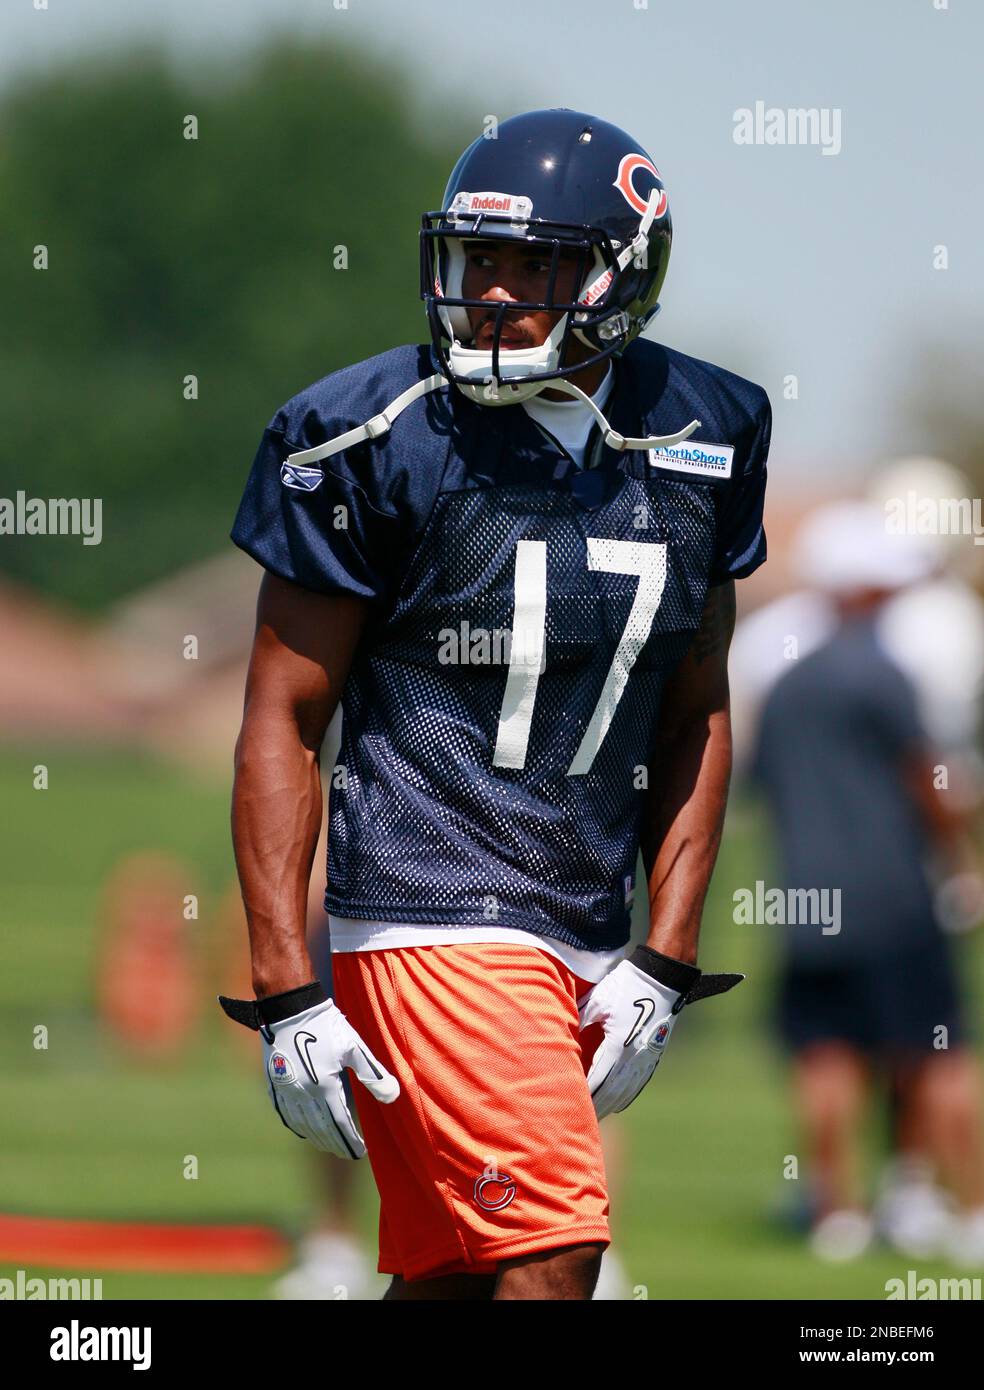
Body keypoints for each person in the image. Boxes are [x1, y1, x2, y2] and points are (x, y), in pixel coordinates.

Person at [220, 108, 771, 1300]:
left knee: (458, 1277)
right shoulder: (365, 434)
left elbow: (697, 709)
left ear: (624, 276)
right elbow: (282, 719)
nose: (498, 294)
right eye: (481, 260)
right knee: (557, 1255)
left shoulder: (713, 430)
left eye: (539, 264)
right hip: (430, 910)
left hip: (581, 915)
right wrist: (283, 984)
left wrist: (665, 953)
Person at [751, 502, 984, 1264]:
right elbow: (927, 782)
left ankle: (837, 1216)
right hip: (894, 898)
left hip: (805, 900)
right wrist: (962, 859)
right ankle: (971, 1210)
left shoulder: (783, 685)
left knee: (825, 1058)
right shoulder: (882, 673)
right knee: (937, 1051)